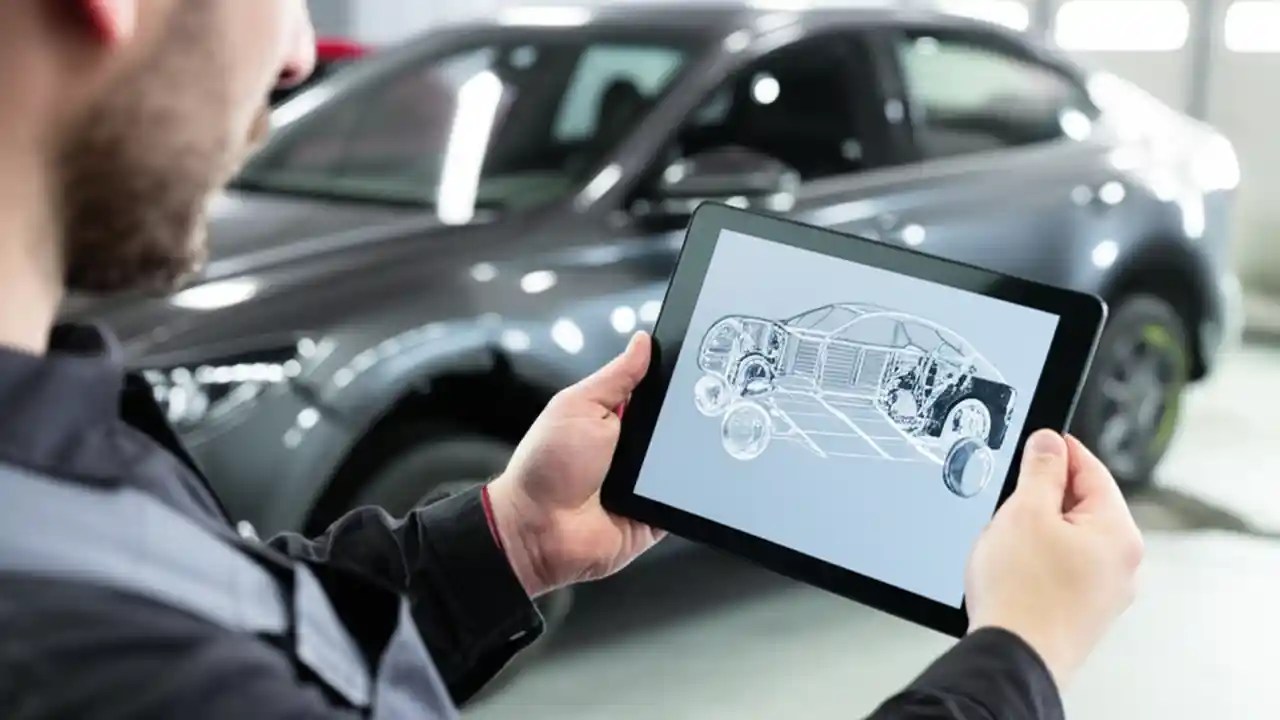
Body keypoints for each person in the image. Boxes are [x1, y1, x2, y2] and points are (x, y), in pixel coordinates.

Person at [0, 2, 1144, 718]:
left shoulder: (53, 453)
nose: (299, 50)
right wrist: (1017, 656)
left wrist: (506, 537)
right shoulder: (141, 668)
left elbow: (234, 594)